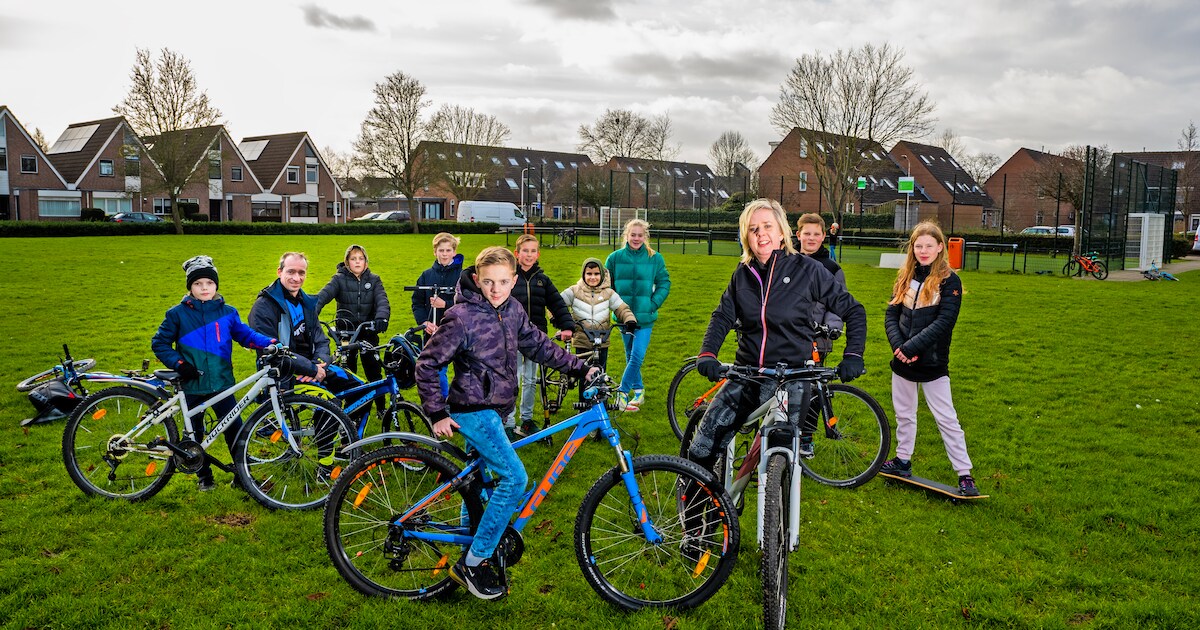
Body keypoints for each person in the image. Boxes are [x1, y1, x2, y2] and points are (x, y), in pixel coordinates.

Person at [415, 246, 599, 601]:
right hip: (472, 410)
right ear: (477, 280)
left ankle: (467, 555)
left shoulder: (513, 310)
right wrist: (437, 413)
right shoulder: (461, 316)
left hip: (498, 410)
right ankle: (475, 561)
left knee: (476, 487)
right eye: (488, 282)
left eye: (502, 282)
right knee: (515, 478)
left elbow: (540, 346)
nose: (496, 289)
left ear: (514, 281)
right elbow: (427, 364)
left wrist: (580, 367)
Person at [687, 199, 867, 475]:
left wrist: (853, 354)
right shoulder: (742, 275)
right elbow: (722, 316)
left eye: (767, 226)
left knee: (778, 455)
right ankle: (695, 514)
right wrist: (708, 353)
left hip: (791, 378)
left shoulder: (808, 270)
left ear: (782, 232)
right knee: (701, 448)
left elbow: (854, 311)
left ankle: (774, 510)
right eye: (753, 228)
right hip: (747, 373)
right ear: (746, 236)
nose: (761, 234)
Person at [151, 255, 274, 491]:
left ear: (216, 285)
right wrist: (178, 364)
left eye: (208, 283)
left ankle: (242, 476)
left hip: (222, 383)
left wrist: (269, 341)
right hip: (191, 384)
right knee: (194, 436)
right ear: (190, 287)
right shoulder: (176, 314)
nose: (204, 288)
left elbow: (246, 335)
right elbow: (160, 343)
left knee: (235, 431)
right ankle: (204, 476)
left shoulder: (227, 312)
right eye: (198, 284)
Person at [880, 221, 979, 496]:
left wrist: (912, 348)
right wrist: (899, 347)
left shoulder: (950, 281)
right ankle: (902, 460)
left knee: (947, 418)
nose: (923, 250)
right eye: (918, 245)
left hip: (932, 363)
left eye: (929, 246)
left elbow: (944, 322)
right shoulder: (904, 276)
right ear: (913, 247)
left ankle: (964, 474)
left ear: (939, 248)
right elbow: (891, 315)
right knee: (904, 415)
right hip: (902, 361)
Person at [249, 252, 356, 393]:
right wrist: (311, 369)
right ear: (279, 272)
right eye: (291, 272)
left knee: (360, 389)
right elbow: (273, 354)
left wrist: (318, 364)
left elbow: (321, 340)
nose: (296, 278)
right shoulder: (263, 307)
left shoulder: (306, 302)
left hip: (314, 366)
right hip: (284, 375)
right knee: (331, 405)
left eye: (301, 273)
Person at [505, 234, 575, 437]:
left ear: (538, 254)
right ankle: (508, 422)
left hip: (536, 338)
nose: (529, 255)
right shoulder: (509, 278)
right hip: (513, 338)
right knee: (513, 379)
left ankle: (526, 420)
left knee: (530, 379)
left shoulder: (542, 280)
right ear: (517, 254)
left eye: (533, 251)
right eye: (525, 251)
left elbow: (557, 304)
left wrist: (566, 325)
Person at [315, 244, 391, 417]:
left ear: (365, 261)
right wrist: (312, 314)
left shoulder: (374, 279)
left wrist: (381, 318)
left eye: (361, 258)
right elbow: (322, 297)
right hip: (346, 332)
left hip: (367, 330)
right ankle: (350, 410)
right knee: (347, 371)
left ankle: (381, 408)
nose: (357, 262)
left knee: (373, 369)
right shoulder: (338, 279)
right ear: (347, 261)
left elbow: (382, 301)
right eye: (353, 258)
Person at [604, 219, 670, 412]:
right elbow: (608, 287)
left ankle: (622, 393)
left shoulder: (655, 258)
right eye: (633, 234)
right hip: (624, 317)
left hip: (644, 317)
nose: (636, 238)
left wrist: (653, 303)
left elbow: (664, 283)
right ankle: (639, 391)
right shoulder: (614, 258)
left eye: (640, 235)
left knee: (637, 355)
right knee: (629, 354)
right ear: (627, 235)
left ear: (645, 237)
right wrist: (616, 308)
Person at [560, 257, 637, 392]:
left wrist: (629, 320)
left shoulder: (608, 293)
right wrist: (563, 321)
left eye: (596, 274)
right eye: (589, 274)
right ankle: (584, 407)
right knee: (584, 374)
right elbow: (557, 304)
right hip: (582, 340)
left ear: (602, 274)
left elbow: (621, 308)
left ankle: (600, 403)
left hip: (602, 340)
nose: (592, 277)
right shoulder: (575, 291)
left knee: (600, 374)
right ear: (583, 274)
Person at [411, 232, 463, 398]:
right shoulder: (426, 276)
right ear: (435, 252)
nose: (445, 254)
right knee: (437, 369)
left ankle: (461, 404)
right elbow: (417, 302)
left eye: (448, 250)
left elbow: (469, 303)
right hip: (433, 331)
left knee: (463, 371)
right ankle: (441, 403)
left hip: (458, 331)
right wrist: (424, 322)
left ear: (454, 252)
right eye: (441, 250)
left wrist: (445, 304)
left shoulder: (463, 276)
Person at [795, 213, 847, 362]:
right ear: (799, 235)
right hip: (784, 335)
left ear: (823, 236)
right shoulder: (786, 262)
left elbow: (837, 304)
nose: (811, 238)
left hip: (815, 337)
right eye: (807, 233)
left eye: (816, 234)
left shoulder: (832, 268)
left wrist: (832, 326)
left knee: (810, 382)